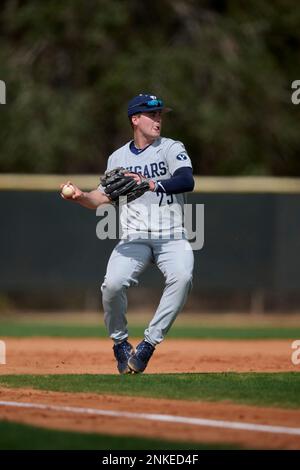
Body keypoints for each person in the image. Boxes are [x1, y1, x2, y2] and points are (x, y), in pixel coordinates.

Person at [60, 93, 195, 374]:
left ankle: (148, 344)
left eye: (160, 114)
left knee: (182, 278)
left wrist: (151, 184)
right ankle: (120, 343)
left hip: (171, 234)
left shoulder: (171, 148)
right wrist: (81, 196)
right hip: (134, 236)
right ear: (136, 119)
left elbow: (186, 180)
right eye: (152, 114)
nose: (158, 119)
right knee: (112, 285)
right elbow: (100, 198)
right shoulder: (117, 157)